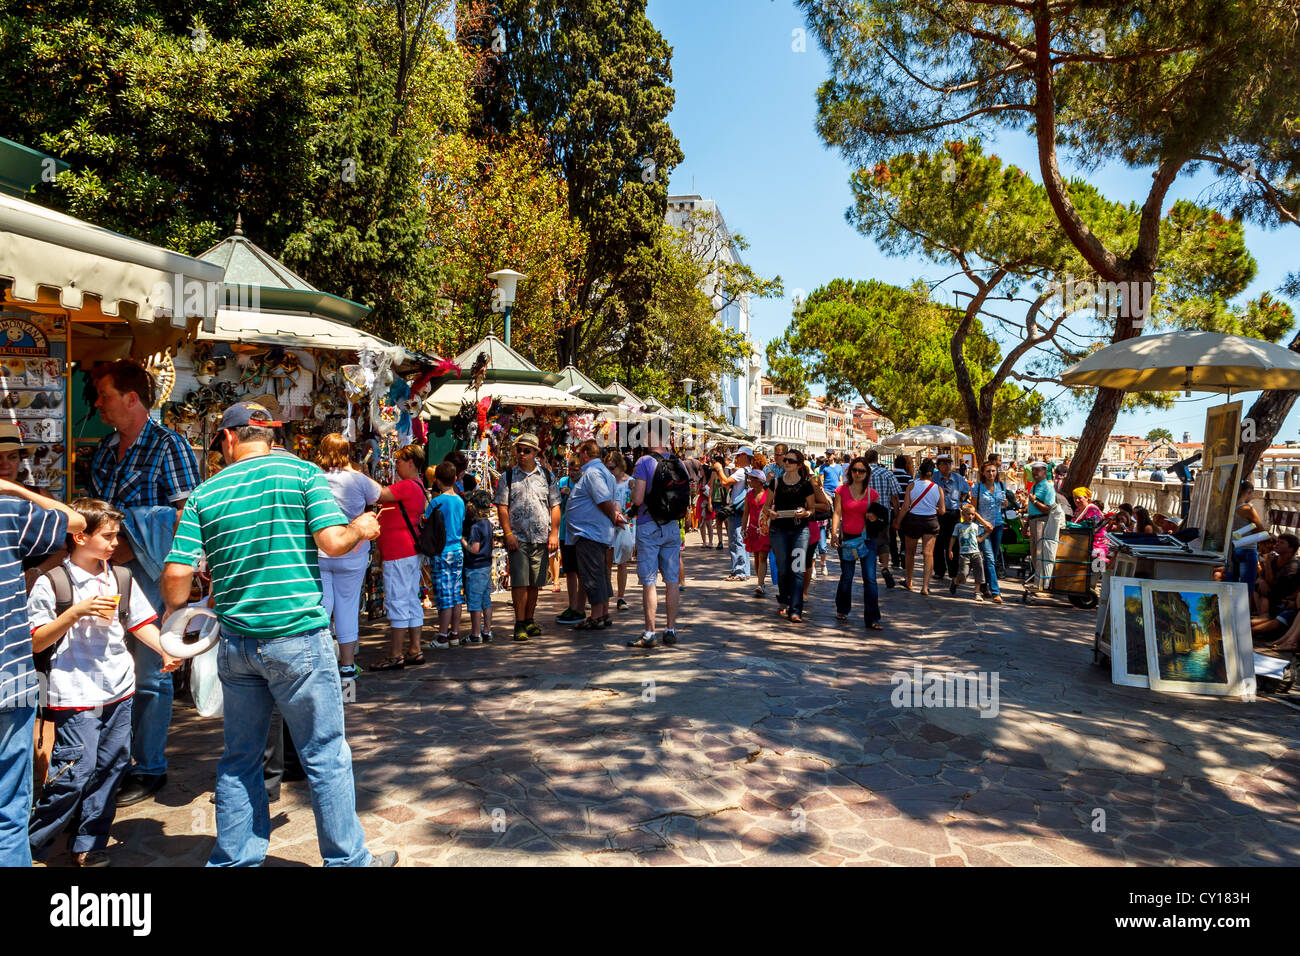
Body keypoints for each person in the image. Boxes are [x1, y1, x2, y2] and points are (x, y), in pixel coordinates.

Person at [161, 400, 394, 867]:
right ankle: (347, 861)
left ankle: (235, 860)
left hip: (236, 644)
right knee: (325, 754)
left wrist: (184, 611)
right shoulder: (303, 475)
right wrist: (362, 528)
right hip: (297, 641)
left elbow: (174, 578)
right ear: (269, 436)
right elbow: (331, 543)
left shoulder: (205, 494)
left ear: (229, 438)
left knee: (240, 758)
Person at [27, 498, 180, 867]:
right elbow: (36, 639)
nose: (115, 543)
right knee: (74, 772)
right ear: (80, 537)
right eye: (108, 536)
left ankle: (88, 843)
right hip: (75, 690)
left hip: (119, 688)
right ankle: (32, 845)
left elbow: (140, 621)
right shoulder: (54, 582)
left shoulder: (121, 577)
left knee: (111, 768)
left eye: (116, 535)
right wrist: (77, 612)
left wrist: (165, 651)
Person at [88, 359, 200, 809]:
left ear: (132, 399)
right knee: (106, 667)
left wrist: (136, 547)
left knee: (151, 674)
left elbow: (186, 517)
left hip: (148, 576)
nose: (97, 403)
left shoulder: (169, 445)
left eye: (105, 395)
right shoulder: (103, 448)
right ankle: (110, 762)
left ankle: (150, 766)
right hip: (103, 574)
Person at [0, 479, 82, 867]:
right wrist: (17, 491)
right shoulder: (9, 513)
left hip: (11, 680)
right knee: (8, 808)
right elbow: (76, 521)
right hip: (9, 679)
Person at [314, 434, 382, 680]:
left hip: (321, 550)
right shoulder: (358, 479)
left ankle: (319, 663)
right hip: (353, 551)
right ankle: (347, 666)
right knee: (348, 608)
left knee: (322, 606)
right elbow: (379, 495)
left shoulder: (314, 479)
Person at [494, 432, 561, 642]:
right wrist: (508, 533)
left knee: (535, 582)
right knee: (520, 582)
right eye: (519, 450)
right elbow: (502, 507)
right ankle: (519, 622)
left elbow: (555, 506)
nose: (522, 454)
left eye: (527, 450)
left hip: (541, 537)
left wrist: (554, 533)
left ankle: (530, 619)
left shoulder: (548, 477)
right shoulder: (508, 477)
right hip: (518, 537)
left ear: (535, 453)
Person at [370, 444, 427, 670]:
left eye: (399, 462)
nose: (396, 466)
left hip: (399, 552)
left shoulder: (407, 486)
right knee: (410, 599)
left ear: (410, 462)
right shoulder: (417, 485)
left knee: (397, 600)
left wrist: (363, 476)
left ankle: (395, 653)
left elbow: (380, 494)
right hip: (407, 550)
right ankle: (414, 648)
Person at [628, 437, 683, 647]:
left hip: (649, 524)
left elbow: (638, 499)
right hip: (671, 526)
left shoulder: (644, 462)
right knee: (672, 581)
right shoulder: (679, 463)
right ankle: (670, 629)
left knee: (649, 581)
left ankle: (650, 632)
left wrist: (634, 487)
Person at [566, 439, 623, 631]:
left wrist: (613, 517)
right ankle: (603, 613)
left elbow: (603, 499)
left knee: (592, 575)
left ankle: (597, 616)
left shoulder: (593, 473)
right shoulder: (603, 472)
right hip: (595, 531)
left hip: (590, 532)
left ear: (585, 453)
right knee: (599, 573)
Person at [763, 448, 817, 624]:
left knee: (798, 569)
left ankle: (795, 610)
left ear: (799, 465)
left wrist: (805, 513)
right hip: (778, 530)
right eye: (785, 460)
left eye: (791, 461)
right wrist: (770, 513)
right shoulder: (776, 483)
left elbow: (812, 509)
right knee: (783, 567)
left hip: (800, 530)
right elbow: (766, 506)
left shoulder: (806, 485)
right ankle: (784, 598)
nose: (787, 463)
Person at [831, 456, 883, 630]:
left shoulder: (872, 494)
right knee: (847, 576)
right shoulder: (841, 491)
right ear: (850, 471)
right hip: (847, 538)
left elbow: (878, 518)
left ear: (867, 473)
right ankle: (842, 608)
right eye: (855, 470)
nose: (858, 473)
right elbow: (837, 512)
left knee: (870, 578)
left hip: (867, 540)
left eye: (862, 470)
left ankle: (873, 617)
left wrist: (874, 517)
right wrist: (834, 532)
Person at [426, 462, 467, 648]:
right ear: (455, 478)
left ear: (437, 481)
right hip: (457, 550)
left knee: (444, 595)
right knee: (456, 593)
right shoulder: (460, 501)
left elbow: (426, 521)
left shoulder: (437, 502)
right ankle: (455, 633)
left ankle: (442, 635)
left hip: (442, 552)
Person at [893, 457, 944, 594]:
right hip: (930, 520)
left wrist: (897, 521)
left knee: (910, 553)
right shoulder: (938, 488)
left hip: (913, 520)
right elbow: (943, 510)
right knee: (928, 554)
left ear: (919, 472)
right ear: (931, 474)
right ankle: (925, 587)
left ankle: (909, 581)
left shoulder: (912, 485)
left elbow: (905, 507)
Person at [971, 460, 1014, 604]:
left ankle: (984, 586)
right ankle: (996, 592)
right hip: (983, 527)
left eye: (994, 471)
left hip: (998, 525)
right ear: (983, 473)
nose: (991, 474)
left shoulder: (1000, 485)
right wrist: (984, 523)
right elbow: (973, 510)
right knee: (989, 558)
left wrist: (1005, 504)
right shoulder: (977, 487)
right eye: (988, 471)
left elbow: (1003, 503)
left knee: (993, 560)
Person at [714, 447, 753, 582]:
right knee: (741, 539)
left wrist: (719, 469)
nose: (736, 459)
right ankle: (745, 570)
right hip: (743, 509)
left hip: (736, 509)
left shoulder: (742, 471)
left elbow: (725, 482)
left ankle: (739, 571)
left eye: (738, 456)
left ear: (744, 456)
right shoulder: (749, 471)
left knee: (736, 540)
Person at [555, 460, 587, 624]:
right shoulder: (562, 482)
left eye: (576, 469)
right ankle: (572, 604)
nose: (573, 473)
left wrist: (572, 492)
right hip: (564, 532)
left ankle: (581, 605)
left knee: (582, 570)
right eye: (571, 470)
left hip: (581, 532)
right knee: (570, 571)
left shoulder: (585, 482)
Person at [1025, 460, 1064, 593]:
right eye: (1033, 470)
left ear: (1044, 471)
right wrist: (1026, 525)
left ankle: (1043, 583)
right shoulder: (1035, 486)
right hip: (1033, 521)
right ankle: (1038, 581)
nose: (1035, 472)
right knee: (1035, 552)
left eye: (1038, 470)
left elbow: (1048, 509)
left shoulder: (1047, 487)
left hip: (1042, 521)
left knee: (1041, 552)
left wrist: (1034, 501)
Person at [462, 489, 494, 644]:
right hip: (486, 566)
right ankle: (487, 630)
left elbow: (474, 549)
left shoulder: (475, 527)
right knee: (485, 599)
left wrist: (463, 542)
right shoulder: (488, 524)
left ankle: (475, 634)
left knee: (474, 601)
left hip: (475, 567)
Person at [932, 454, 970, 583]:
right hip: (937, 514)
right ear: (938, 466)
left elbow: (966, 491)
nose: (947, 466)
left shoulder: (958, 478)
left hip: (953, 514)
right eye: (944, 463)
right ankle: (939, 571)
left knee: (953, 543)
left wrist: (961, 500)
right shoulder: (933, 478)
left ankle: (953, 571)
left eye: (949, 463)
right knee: (938, 543)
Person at [865, 450, 900, 589]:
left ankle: (869, 569)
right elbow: (895, 497)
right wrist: (896, 516)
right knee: (883, 542)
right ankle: (884, 567)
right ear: (877, 458)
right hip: (883, 513)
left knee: (867, 541)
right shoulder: (887, 473)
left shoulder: (861, 473)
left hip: (865, 513)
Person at [607, 450, 636, 612]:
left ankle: (621, 597)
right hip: (608, 524)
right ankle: (603, 596)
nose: (610, 471)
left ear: (620, 466)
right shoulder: (606, 481)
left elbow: (636, 502)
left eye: (612, 468)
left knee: (622, 563)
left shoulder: (630, 482)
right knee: (607, 562)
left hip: (624, 525)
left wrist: (627, 516)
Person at [948, 502, 992, 602]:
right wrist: (950, 550)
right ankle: (955, 581)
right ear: (963, 515)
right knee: (963, 574)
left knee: (979, 572)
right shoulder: (958, 526)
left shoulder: (975, 526)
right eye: (968, 514)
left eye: (972, 514)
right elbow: (953, 538)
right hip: (964, 554)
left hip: (976, 553)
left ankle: (977, 592)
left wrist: (987, 533)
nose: (971, 516)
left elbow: (979, 540)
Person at [1231, 481, 1266, 591]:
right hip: (1247, 550)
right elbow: (1260, 530)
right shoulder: (1248, 509)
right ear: (1249, 492)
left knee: (1232, 586)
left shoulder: (1229, 507)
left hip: (1232, 549)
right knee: (1246, 588)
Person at [742, 469, 771, 597]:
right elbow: (745, 513)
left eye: (752, 479)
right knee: (756, 556)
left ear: (759, 481)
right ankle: (760, 582)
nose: (749, 481)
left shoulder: (769, 494)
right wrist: (743, 528)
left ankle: (760, 583)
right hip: (753, 528)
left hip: (765, 529)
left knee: (763, 556)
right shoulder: (748, 495)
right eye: (749, 479)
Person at [889, 454, 914, 571]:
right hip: (906, 511)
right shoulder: (909, 478)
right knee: (904, 536)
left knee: (892, 537)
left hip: (891, 510)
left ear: (894, 464)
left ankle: (895, 560)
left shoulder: (890, 476)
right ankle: (903, 553)